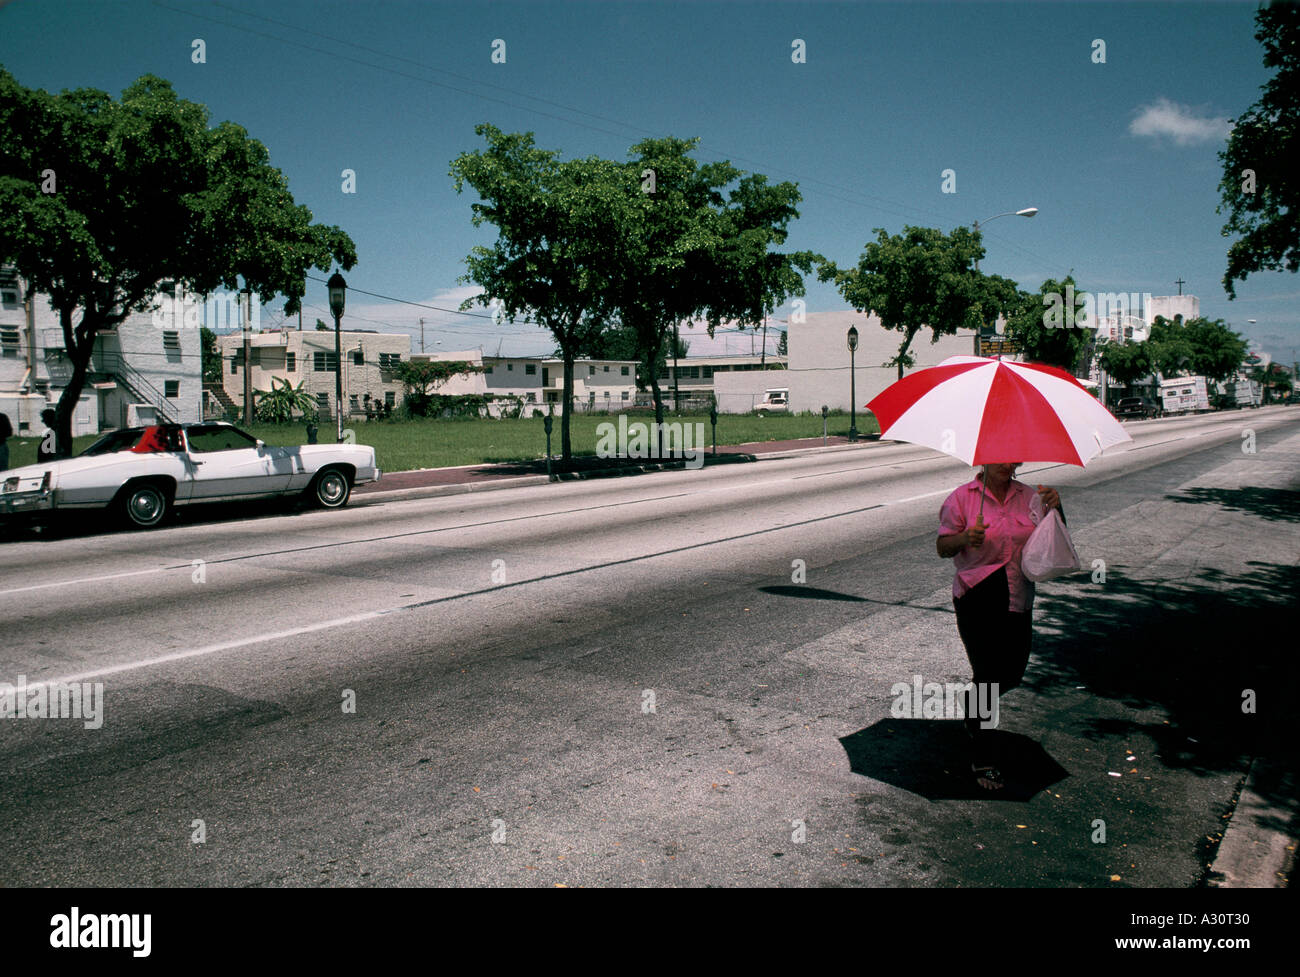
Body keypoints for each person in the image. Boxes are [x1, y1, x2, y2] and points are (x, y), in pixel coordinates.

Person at [936, 463, 1062, 791]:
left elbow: (1054, 540)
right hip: (978, 595)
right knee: (988, 675)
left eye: (1012, 459)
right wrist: (965, 537)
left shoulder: (1031, 498)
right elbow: (942, 547)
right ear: (985, 460)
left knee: (1012, 671)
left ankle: (975, 705)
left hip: (1018, 592)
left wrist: (1057, 508)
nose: (1007, 465)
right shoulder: (962, 499)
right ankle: (984, 756)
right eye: (1000, 458)